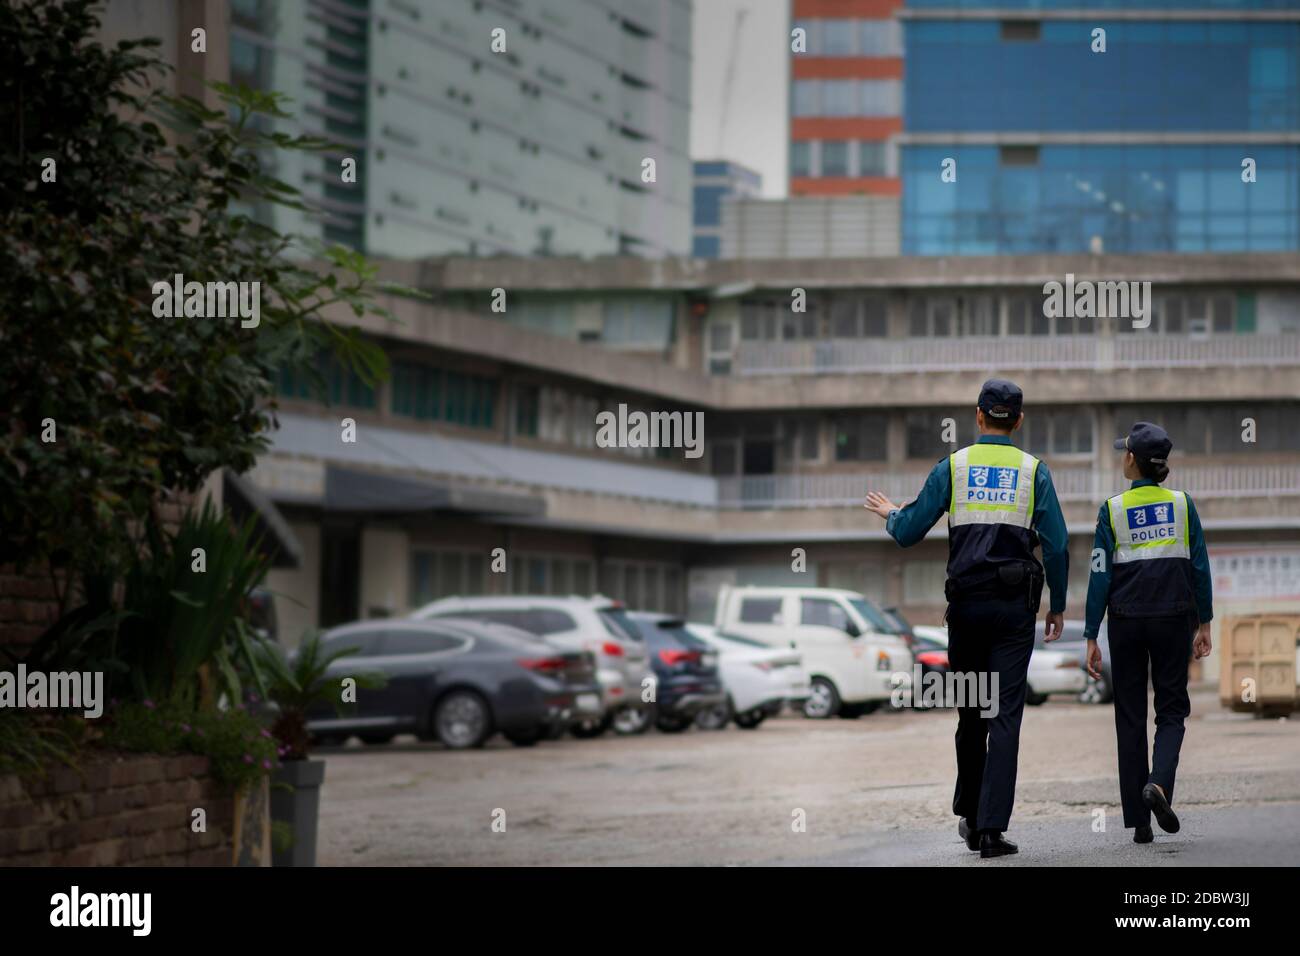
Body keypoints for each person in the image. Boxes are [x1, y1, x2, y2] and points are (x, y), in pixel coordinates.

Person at [864, 379, 1068, 859]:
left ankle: (971, 818)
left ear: (978, 416)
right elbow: (1057, 544)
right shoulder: (1033, 471)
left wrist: (893, 513)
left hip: (967, 611)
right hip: (1015, 612)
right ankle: (992, 829)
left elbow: (911, 531)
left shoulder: (953, 467)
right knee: (1006, 718)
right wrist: (1056, 605)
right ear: (1017, 421)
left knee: (972, 711)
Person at [1084, 422, 1213, 844]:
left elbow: (1100, 574)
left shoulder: (1113, 509)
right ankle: (1158, 783)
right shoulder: (1182, 504)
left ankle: (1140, 822)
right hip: (1173, 619)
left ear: (1131, 460)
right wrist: (1205, 621)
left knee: (1130, 716)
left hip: (1125, 621)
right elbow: (1199, 567)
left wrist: (1090, 633)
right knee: (1172, 710)